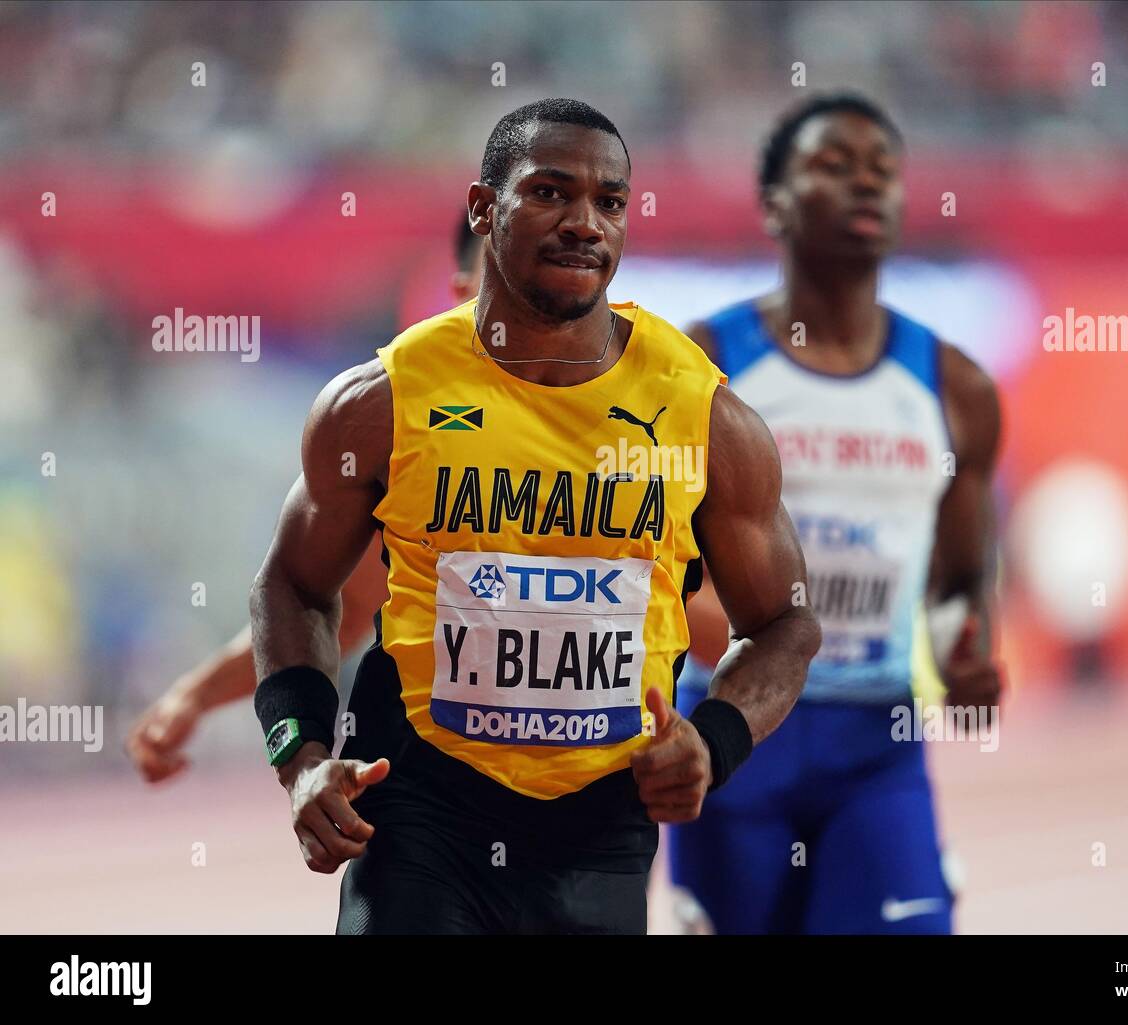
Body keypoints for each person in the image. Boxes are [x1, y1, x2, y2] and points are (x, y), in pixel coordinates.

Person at [249, 98, 821, 935]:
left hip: (599, 822)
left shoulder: (703, 416)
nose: (584, 223)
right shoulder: (383, 401)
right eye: (551, 193)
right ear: (484, 209)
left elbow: (786, 623)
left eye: (609, 202)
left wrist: (715, 741)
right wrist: (299, 760)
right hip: (417, 803)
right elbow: (292, 585)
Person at [670, 93, 1003, 934]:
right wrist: (756, 641)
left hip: (875, 740)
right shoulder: (704, 363)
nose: (866, 185)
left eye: (883, 171)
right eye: (833, 165)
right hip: (735, 727)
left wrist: (969, 650)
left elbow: (960, 579)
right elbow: (655, 561)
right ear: (774, 203)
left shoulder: (954, 386)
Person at [125, 221, 485, 783]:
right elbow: (331, 607)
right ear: (464, 292)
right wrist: (193, 697)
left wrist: (676, 722)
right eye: (506, 270)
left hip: (597, 793)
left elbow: (677, 592)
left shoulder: (639, 425)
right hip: (444, 793)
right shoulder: (411, 434)